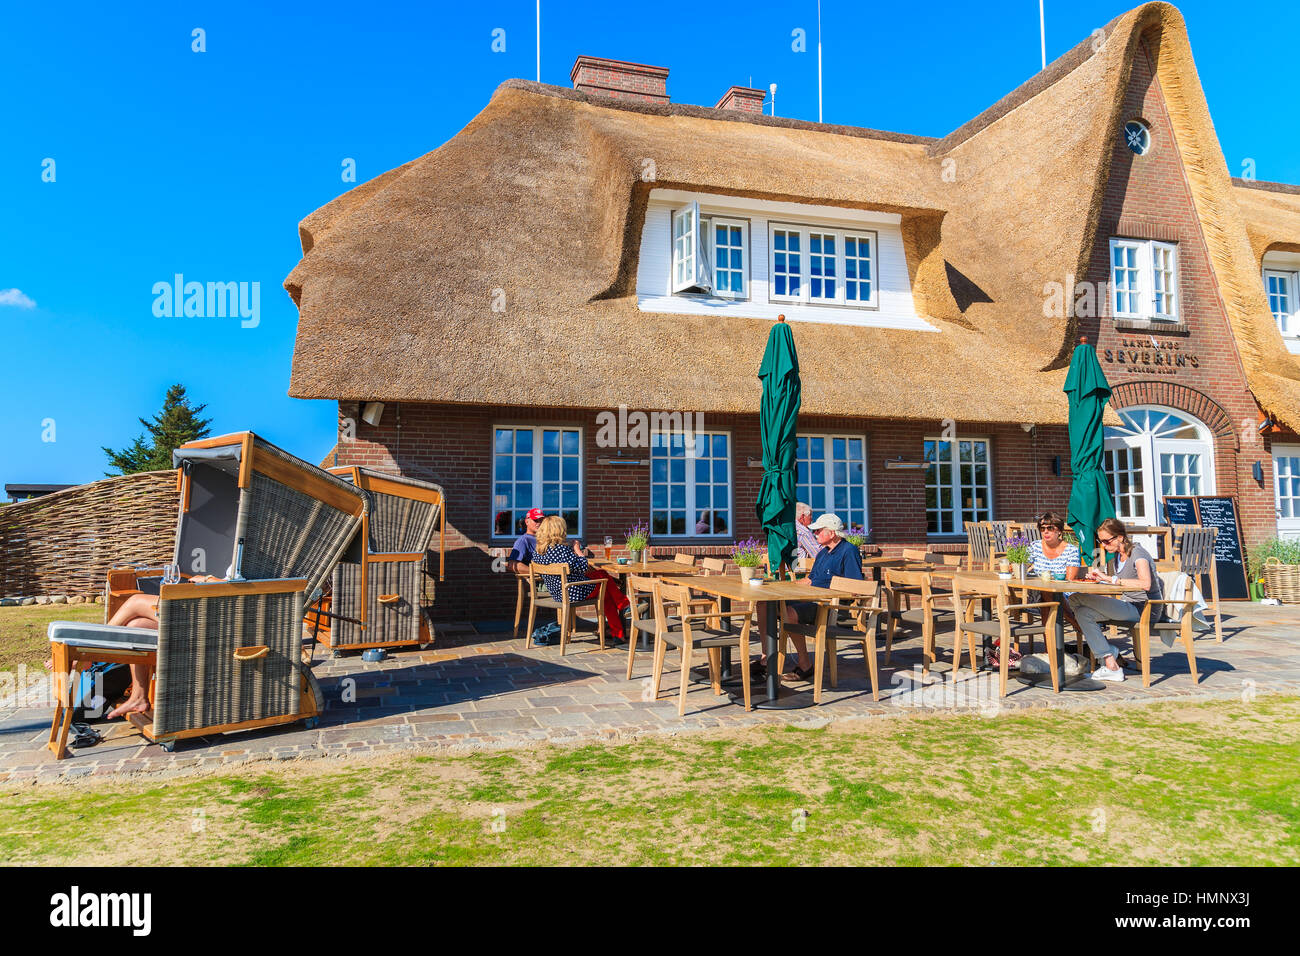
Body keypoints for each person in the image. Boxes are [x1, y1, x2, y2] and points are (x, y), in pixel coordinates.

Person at [103, 573, 226, 719]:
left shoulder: (251, 555)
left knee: (135, 601)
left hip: (217, 616)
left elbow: (243, 584)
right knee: (137, 627)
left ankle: (93, 651)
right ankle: (139, 697)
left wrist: (208, 579)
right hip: (206, 606)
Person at [1067, 517, 1163, 682]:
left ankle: (1109, 650)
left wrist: (1111, 580)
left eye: (1106, 541)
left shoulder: (1138, 554)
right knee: (1083, 613)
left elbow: (1145, 583)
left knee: (1075, 598)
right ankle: (1111, 664)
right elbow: (1115, 581)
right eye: (1101, 541)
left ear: (1120, 537)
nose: (1103, 545)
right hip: (1128, 605)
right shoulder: (1117, 558)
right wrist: (1100, 578)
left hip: (1145, 609)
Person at [775, 513, 864, 683]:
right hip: (813, 600)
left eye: (818, 531)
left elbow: (855, 588)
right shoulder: (823, 553)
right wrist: (787, 587)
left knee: (789, 613)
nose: (815, 534)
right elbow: (810, 580)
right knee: (768, 605)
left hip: (833, 607)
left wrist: (827, 588)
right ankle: (767, 661)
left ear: (832, 533)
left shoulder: (849, 551)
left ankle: (804, 664)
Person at [531, 515, 630, 644]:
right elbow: (583, 566)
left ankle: (619, 635)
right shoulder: (561, 550)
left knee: (605, 589)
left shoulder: (538, 551)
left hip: (558, 593)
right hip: (575, 591)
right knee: (604, 577)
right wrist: (577, 550)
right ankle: (624, 605)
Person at [506, 508, 544, 574]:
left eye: (541, 520)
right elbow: (512, 564)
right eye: (536, 520)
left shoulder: (546, 539)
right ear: (527, 522)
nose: (539, 523)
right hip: (538, 581)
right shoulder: (523, 540)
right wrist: (539, 572)